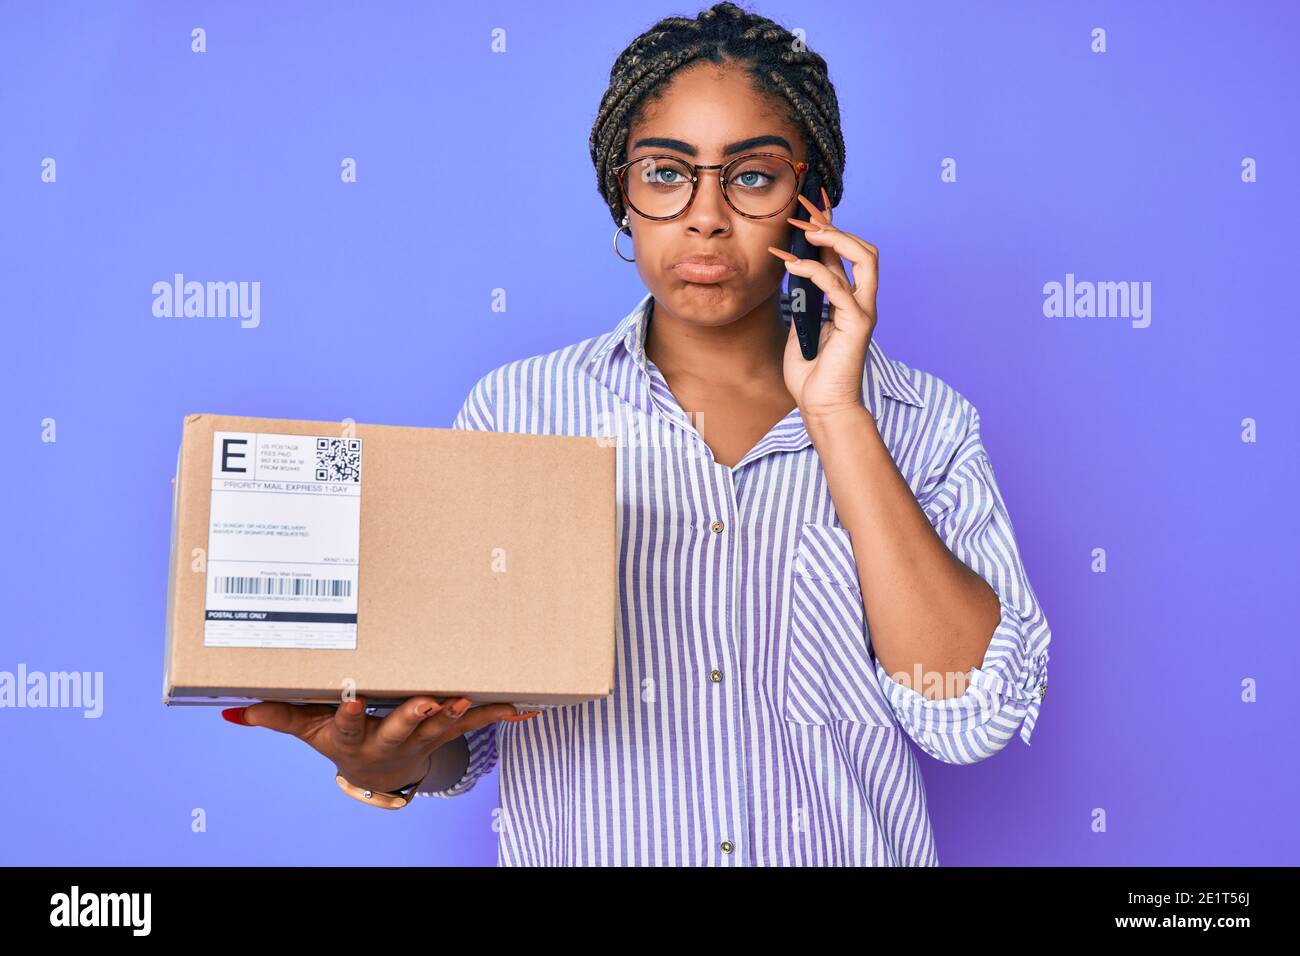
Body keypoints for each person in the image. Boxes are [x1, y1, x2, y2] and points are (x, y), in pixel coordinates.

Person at [224, 1, 1051, 865]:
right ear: (623, 194)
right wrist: (385, 764)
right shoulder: (520, 412)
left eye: (752, 176)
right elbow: (460, 726)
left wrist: (838, 415)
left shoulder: (927, 425)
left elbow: (971, 720)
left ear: (812, 201)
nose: (705, 216)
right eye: (666, 173)